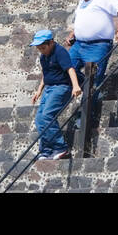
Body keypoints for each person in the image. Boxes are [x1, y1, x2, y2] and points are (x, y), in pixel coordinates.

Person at [65, 0, 118, 112]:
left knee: (93, 81)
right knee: (65, 70)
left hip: (98, 46)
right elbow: (80, 20)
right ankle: (82, 85)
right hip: (79, 45)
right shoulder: (82, 0)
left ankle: (86, 114)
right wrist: (72, 34)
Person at [29, 29, 81, 160]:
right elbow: (46, 75)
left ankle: (60, 148)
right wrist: (39, 90)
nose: (41, 50)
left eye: (43, 47)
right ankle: (46, 150)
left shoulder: (59, 52)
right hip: (48, 89)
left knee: (47, 116)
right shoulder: (43, 57)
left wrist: (75, 86)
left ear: (51, 42)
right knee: (39, 119)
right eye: (39, 48)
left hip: (61, 87)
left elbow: (70, 68)